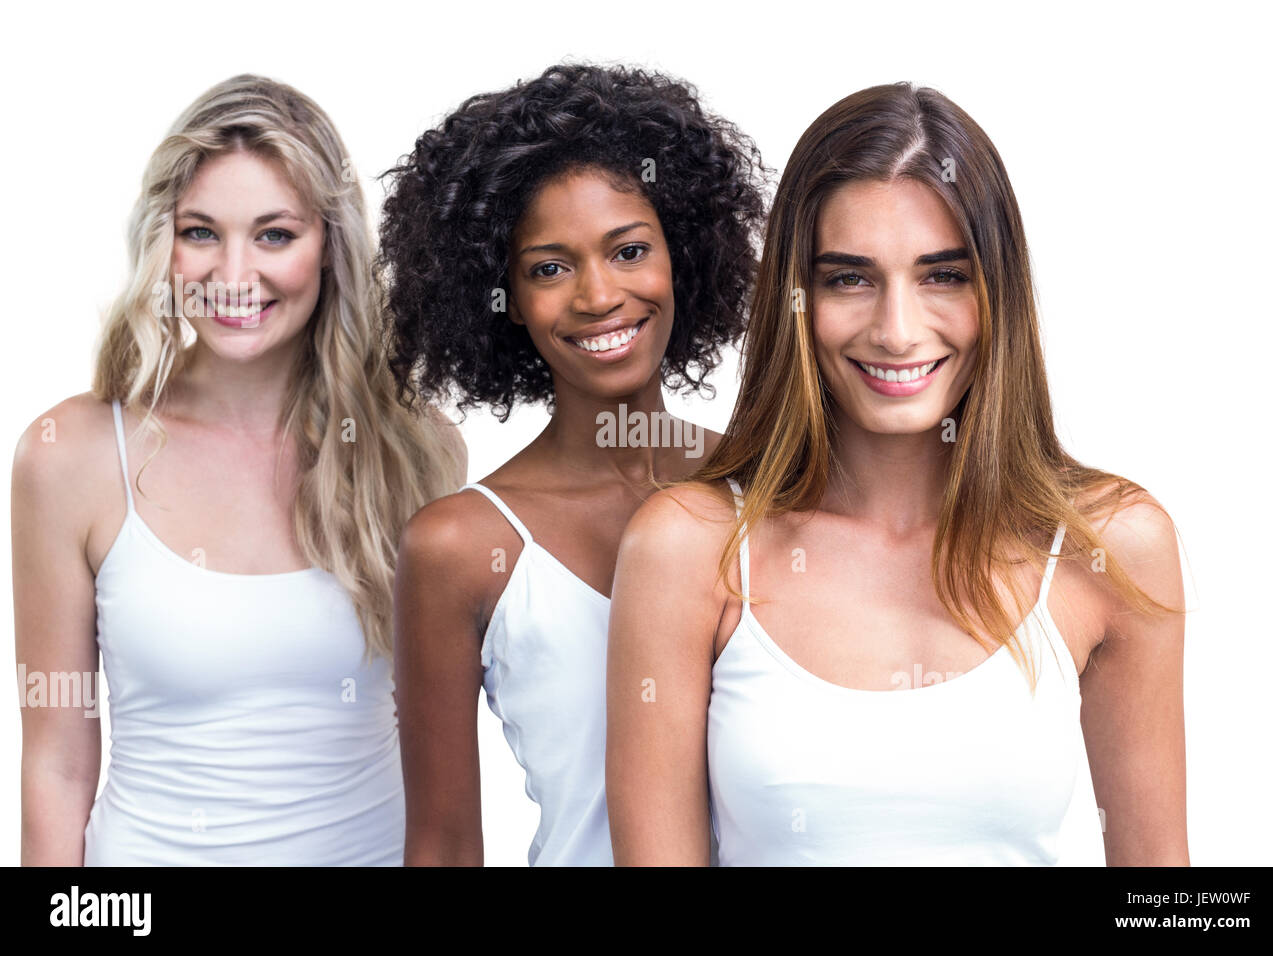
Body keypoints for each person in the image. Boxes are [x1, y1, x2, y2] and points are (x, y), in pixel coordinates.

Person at [607, 82, 1187, 866]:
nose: (897, 330)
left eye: (943, 275)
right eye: (850, 278)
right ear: (798, 299)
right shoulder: (689, 548)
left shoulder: (1109, 543)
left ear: (999, 292)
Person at [13, 74, 466, 866]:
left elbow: (444, 757)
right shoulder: (71, 456)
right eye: (200, 232)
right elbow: (55, 764)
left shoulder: (416, 449)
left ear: (330, 245)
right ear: (163, 241)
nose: (232, 273)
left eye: (274, 235)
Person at [380, 63, 767, 865]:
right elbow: (444, 843)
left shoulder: (774, 484)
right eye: (550, 268)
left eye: (628, 250)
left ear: (682, 257)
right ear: (505, 297)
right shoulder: (456, 547)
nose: (597, 295)